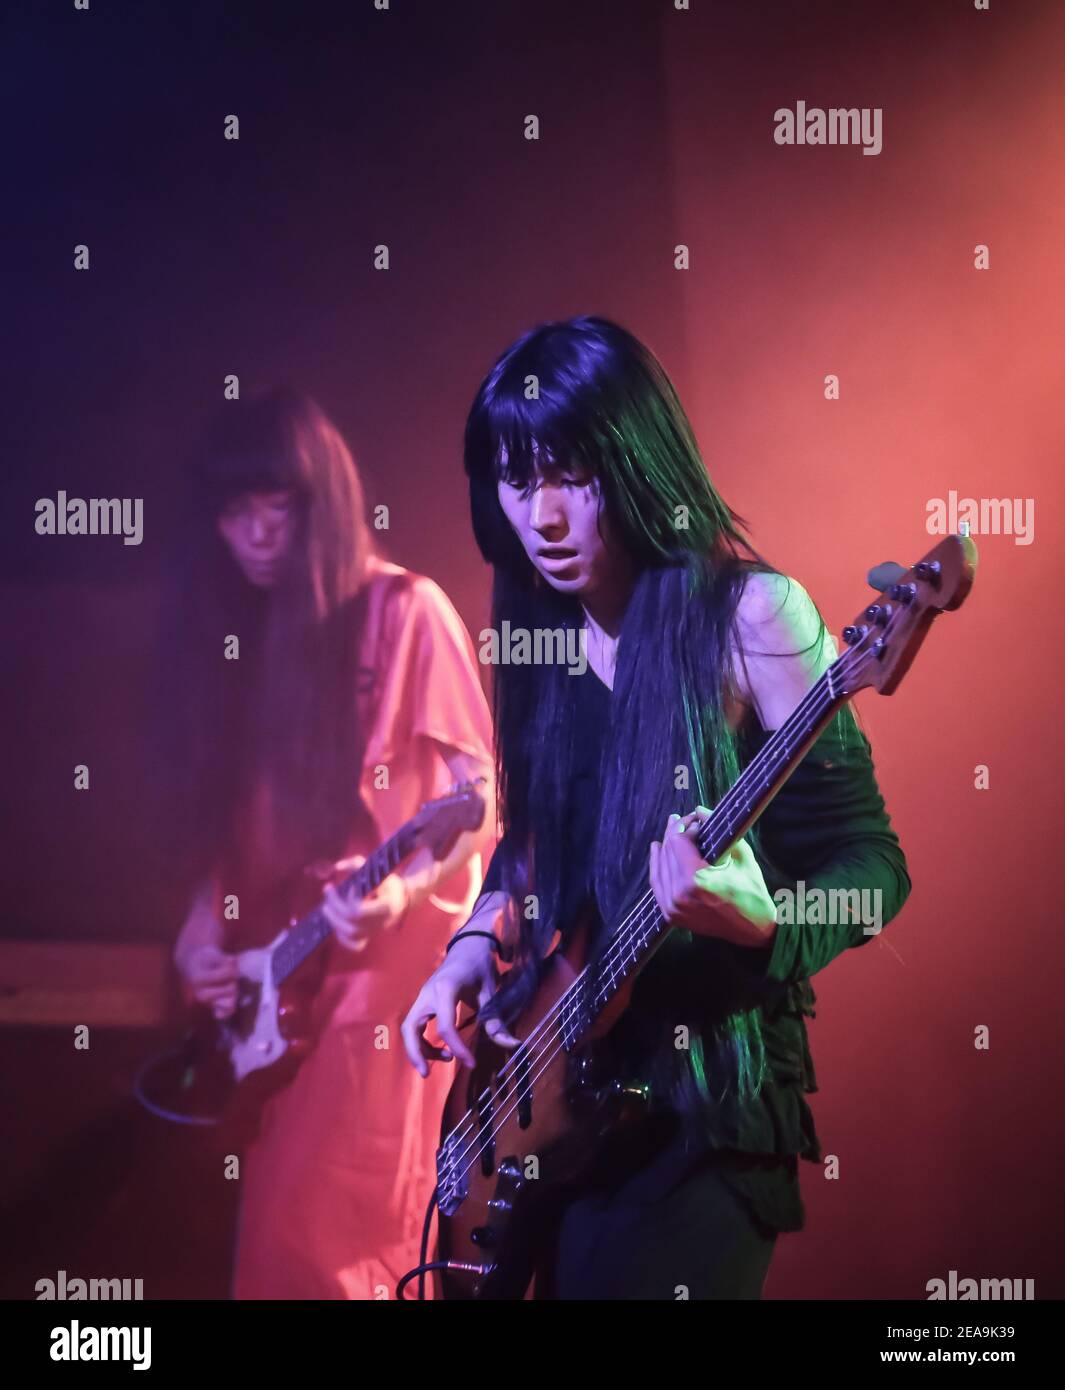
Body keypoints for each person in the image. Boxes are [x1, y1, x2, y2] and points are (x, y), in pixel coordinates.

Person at [400, 315, 911, 1300]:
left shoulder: (753, 616)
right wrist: (472, 943)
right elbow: (535, 841)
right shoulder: (541, 633)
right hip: (566, 1104)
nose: (541, 514)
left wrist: (765, 924)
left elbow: (872, 862)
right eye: (516, 478)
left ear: (636, 463)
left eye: (571, 475)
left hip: (698, 1112)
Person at [166, 387, 495, 1298]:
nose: (258, 534)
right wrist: (201, 933)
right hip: (283, 998)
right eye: (236, 512)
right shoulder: (260, 640)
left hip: (385, 991)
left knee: (355, 1254)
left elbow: (478, 805)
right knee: (273, 1255)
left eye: (280, 505)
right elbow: (242, 826)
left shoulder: (407, 610)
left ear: (327, 502)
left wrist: (399, 891)